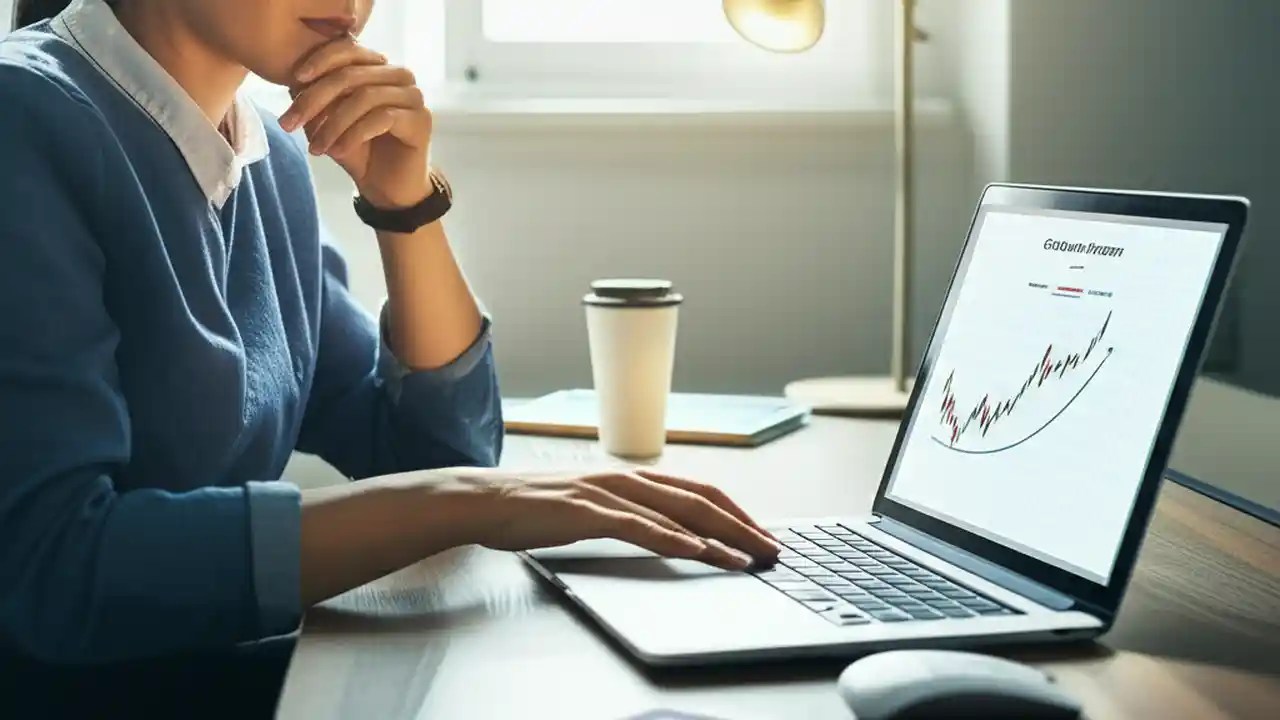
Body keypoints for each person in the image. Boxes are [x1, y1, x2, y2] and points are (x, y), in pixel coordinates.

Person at [0, 0, 780, 715]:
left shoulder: (266, 153)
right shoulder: (23, 118)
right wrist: (471, 502)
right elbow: (54, 569)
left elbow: (438, 452)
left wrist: (404, 204)